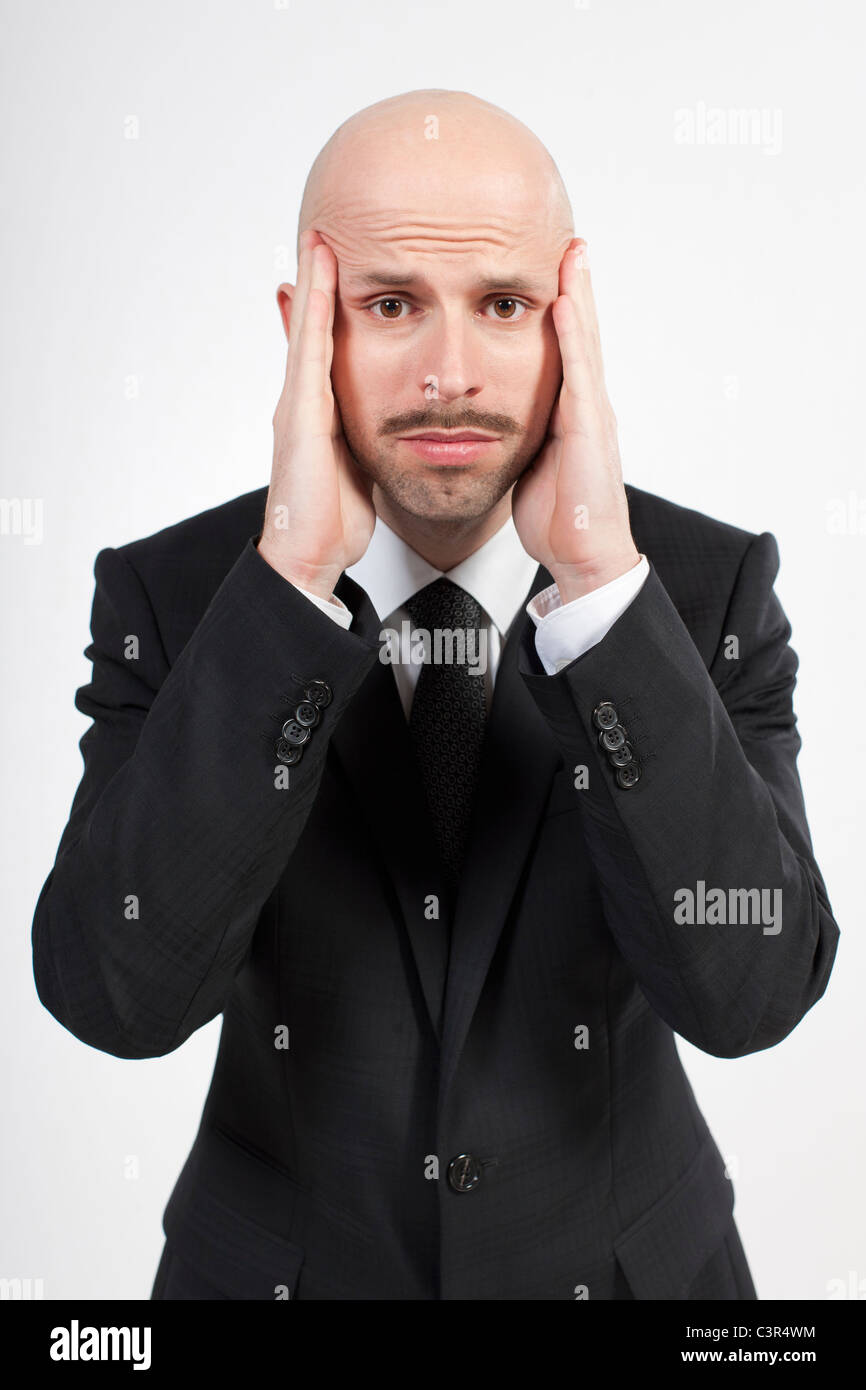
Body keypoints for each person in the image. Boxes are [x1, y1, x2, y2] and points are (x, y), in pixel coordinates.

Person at [31, 88, 839, 1301]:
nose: (450, 374)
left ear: (569, 329)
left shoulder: (702, 592)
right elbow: (116, 992)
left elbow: (750, 991)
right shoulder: (179, 596)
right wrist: (290, 588)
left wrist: (602, 595)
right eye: (392, 305)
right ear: (308, 332)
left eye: (503, 306)